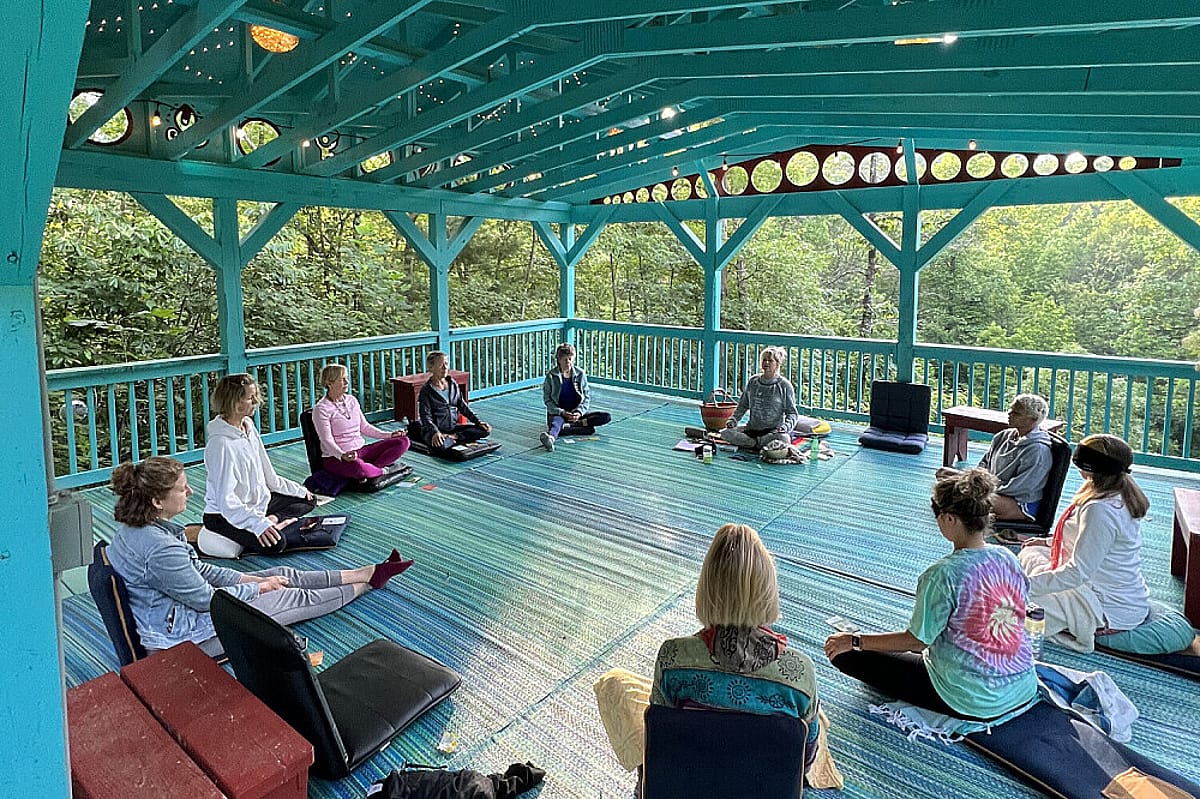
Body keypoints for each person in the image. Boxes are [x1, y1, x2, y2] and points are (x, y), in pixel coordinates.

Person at [595, 524, 836, 792]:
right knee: (816, 720)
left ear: (707, 587)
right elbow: (806, 759)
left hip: (685, 788)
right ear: (768, 589)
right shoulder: (800, 674)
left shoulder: (673, 658)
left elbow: (661, 739)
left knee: (617, 683)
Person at [107, 457, 413, 658]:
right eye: (182, 489)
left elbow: (197, 569)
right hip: (180, 641)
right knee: (291, 598)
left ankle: (365, 572)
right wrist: (257, 589)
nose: (190, 491)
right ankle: (368, 584)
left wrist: (248, 578)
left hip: (176, 614)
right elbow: (205, 599)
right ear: (158, 500)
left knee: (280, 574)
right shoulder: (160, 549)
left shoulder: (141, 529)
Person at [825, 469, 1038, 723]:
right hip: (1022, 684)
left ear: (949, 519)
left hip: (974, 699)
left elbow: (917, 641)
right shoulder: (1007, 557)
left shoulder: (943, 574)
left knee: (845, 653)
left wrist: (856, 641)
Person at [1019, 434, 1200, 655]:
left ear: (1089, 467)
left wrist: (1023, 586)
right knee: (1032, 551)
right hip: (1106, 588)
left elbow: (1077, 572)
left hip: (1106, 607)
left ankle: (1084, 624)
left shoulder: (1101, 509)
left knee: (1010, 604)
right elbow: (1086, 539)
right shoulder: (1115, 491)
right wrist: (1048, 542)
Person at [203, 373, 316, 556]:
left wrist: (300, 490)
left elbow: (269, 476)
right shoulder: (221, 444)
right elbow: (227, 501)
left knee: (308, 499)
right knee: (278, 545)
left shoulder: (248, 426)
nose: (257, 401)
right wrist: (257, 524)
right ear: (234, 402)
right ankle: (277, 525)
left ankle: (274, 520)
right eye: (250, 397)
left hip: (258, 504)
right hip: (223, 515)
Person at [936, 393, 1053, 521]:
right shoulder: (1003, 436)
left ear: (1033, 419)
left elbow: (1021, 487)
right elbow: (985, 462)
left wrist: (982, 489)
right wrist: (976, 480)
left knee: (968, 496)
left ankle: (956, 504)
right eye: (1010, 410)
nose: (1010, 414)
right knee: (943, 473)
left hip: (1016, 500)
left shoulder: (1038, 450)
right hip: (989, 486)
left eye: (1016, 413)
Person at [312, 363, 409, 481]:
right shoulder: (321, 409)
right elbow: (327, 440)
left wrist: (389, 435)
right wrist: (342, 455)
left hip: (361, 450)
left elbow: (365, 427)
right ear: (329, 383)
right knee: (358, 467)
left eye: (346, 378)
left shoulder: (351, 400)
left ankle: (372, 470)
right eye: (342, 379)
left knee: (403, 441)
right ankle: (382, 471)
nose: (347, 382)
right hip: (336, 457)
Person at [720, 346, 799, 450]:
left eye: (770, 360)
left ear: (777, 363)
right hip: (752, 430)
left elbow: (792, 413)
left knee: (784, 439)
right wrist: (733, 420)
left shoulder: (784, 385)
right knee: (725, 433)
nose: (766, 363)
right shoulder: (753, 381)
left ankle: (755, 443)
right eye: (764, 360)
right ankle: (756, 443)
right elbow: (742, 405)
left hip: (773, 432)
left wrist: (786, 427)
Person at [412, 350, 491, 450]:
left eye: (446, 363)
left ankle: (454, 437)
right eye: (441, 365)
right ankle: (448, 439)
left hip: (453, 429)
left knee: (484, 430)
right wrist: (435, 432)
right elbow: (425, 417)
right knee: (440, 445)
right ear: (431, 368)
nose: (445, 368)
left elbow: (462, 406)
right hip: (435, 430)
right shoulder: (426, 390)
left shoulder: (452, 383)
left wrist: (478, 422)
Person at [539, 342, 610, 452]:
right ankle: (551, 439)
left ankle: (573, 425)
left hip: (575, 413)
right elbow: (547, 400)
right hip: (559, 413)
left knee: (606, 416)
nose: (568, 362)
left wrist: (579, 412)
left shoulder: (580, 374)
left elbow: (586, 397)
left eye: (570, 359)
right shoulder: (551, 376)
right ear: (559, 360)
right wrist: (561, 412)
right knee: (557, 424)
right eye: (565, 359)